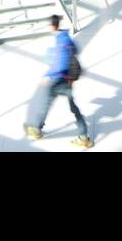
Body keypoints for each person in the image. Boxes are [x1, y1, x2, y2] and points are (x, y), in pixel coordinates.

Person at [24, 15, 92, 148]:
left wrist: (47, 75)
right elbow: (75, 50)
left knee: (46, 101)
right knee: (73, 108)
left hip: (59, 79)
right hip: (68, 80)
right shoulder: (65, 37)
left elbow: (60, 65)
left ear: (51, 26)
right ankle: (84, 137)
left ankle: (37, 129)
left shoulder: (60, 40)